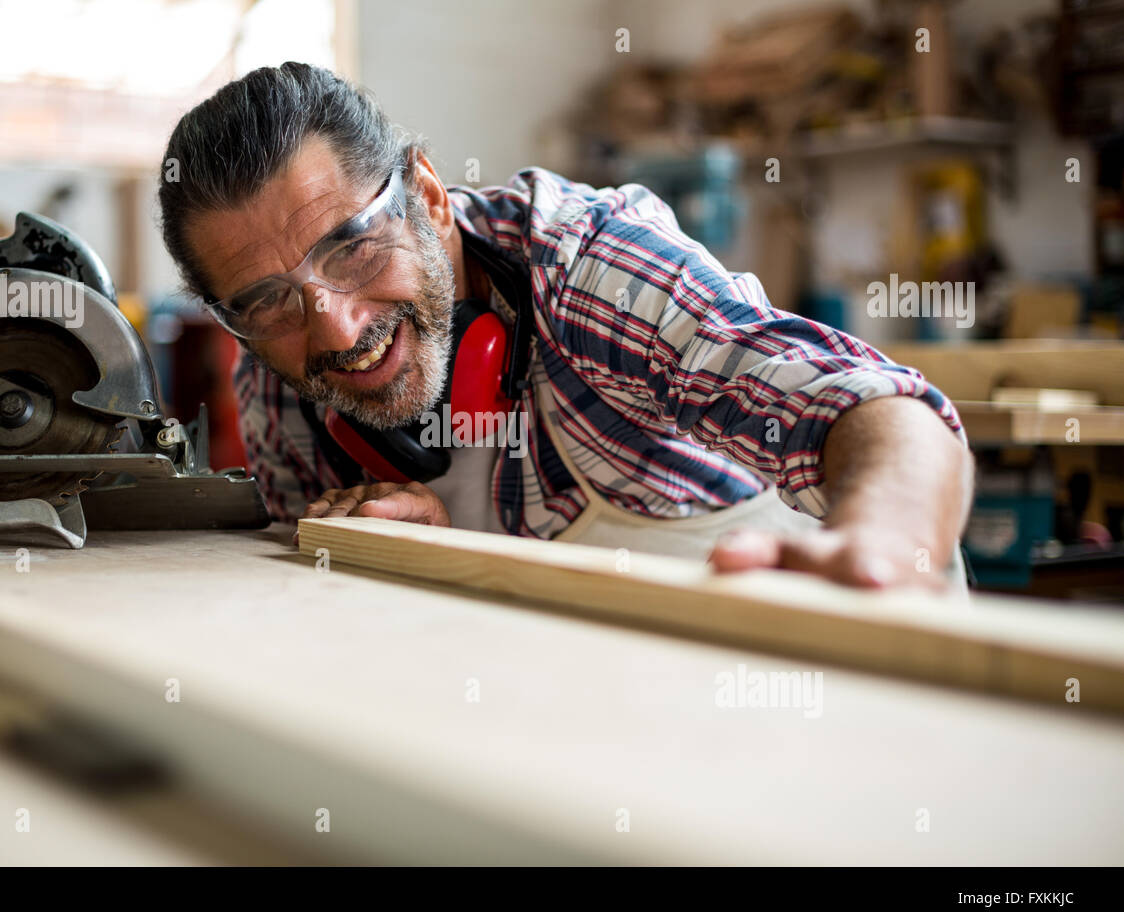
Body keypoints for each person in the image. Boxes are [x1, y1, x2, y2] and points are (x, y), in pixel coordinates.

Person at [157, 63, 973, 591]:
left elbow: (877, 405)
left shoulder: (590, 267)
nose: (336, 332)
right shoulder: (272, 376)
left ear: (428, 198)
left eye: (352, 248)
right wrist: (417, 560)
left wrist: (885, 544)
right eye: (267, 301)